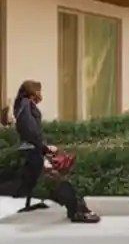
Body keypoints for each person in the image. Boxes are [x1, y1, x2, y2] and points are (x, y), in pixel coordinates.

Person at [5, 80, 98, 223]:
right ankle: (76, 210)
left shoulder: (23, 106)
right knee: (52, 181)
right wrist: (45, 147)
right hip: (34, 151)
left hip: (32, 151)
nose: (40, 94)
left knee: (32, 183)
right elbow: (31, 131)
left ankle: (76, 208)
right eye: (38, 91)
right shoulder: (26, 105)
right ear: (32, 92)